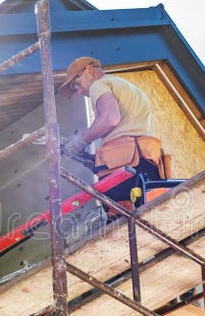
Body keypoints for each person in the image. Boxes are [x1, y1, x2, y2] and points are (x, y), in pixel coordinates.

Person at [58, 57, 171, 217]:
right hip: (146, 164)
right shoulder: (125, 87)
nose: (79, 91)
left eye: (76, 84)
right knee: (149, 219)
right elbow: (123, 133)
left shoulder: (99, 85)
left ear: (89, 70)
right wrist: (92, 159)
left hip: (125, 169)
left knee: (121, 224)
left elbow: (110, 118)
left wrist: (81, 140)